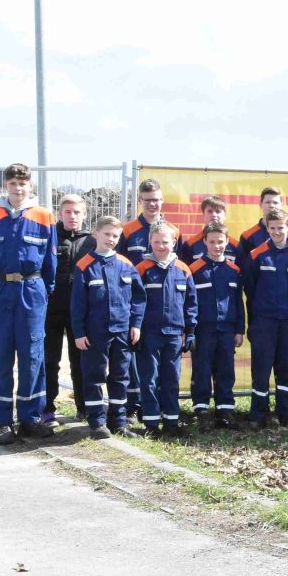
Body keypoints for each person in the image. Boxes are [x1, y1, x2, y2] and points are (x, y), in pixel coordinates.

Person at [0, 163, 58, 444]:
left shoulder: (43, 215)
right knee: (1, 355)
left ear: (30, 185)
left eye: (23, 183)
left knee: (32, 356)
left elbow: (50, 261)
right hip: (1, 291)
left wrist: (42, 291)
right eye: (13, 183)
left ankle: (31, 418)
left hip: (32, 291)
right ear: (6, 185)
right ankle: (2, 421)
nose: (18, 188)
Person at [71, 216, 143, 439]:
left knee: (120, 376)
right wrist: (79, 332)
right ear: (96, 234)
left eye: (115, 236)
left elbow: (139, 298)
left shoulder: (126, 264)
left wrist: (136, 325)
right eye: (107, 234)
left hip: (122, 331)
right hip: (95, 333)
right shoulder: (84, 265)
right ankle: (97, 423)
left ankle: (118, 422)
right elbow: (77, 303)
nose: (111, 239)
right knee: (94, 376)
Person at [243, 207, 288, 429]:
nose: (277, 232)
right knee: (261, 367)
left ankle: (285, 411)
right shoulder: (256, 255)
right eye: (273, 229)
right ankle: (259, 412)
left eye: (281, 228)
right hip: (264, 322)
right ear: (267, 229)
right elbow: (250, 288)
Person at [135, 222, 198, 437]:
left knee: (171, 378)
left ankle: (172, 422)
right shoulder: (142, 269)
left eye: (165, 242)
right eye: (156, 242)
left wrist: (190, 331)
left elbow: (191, 303)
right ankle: (151, 423)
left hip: (174, 334)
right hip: (149, 333)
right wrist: (136, 328)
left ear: (174, 242)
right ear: (149, 242)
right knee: (149, 377)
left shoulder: (183, 269)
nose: (161, 246)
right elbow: (135, 301)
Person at [44, 193, 93, 425]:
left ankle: (84, 408)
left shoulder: (92, 241)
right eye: (68, 212)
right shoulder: (49, 236)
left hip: (80, 313)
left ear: (84, 214)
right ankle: (47, 408)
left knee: (81, 361)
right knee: (49, 360)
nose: (72, 216)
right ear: (60, 213)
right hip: (51, 309)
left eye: (77, 212)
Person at [188, 222, 243, 429]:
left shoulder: (234, 270)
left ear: (227, 242)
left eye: (220, 241)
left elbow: (239, 302)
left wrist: (239, 330)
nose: (216, 246)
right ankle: (201, 410)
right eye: (212, 242)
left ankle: (225, 410)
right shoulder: (193, 270)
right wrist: (190, 330)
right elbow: (189, 303)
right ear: (204, 242)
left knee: (226, 371)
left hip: (227, 330)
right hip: (203, 330)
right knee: (201, 370)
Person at [121, 179, 166, 418]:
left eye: (156, 199)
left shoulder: (172, 230)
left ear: (162, 200)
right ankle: (132, 405)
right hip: (133, 303)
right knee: (132, 354)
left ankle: (153, 404)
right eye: (147, 200)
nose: (152, 204)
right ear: (140, 201)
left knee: (157, 358)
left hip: (162, 305)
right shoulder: (127, 231)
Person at [184, 196, 235, 264]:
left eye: (218, 211)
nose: (214, 215)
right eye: (210, 211)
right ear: (203, 214)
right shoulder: (190, 245)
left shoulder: (235, 246)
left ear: (225, 215)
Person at [236, 186, 283, 259]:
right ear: (260, 204)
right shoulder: (247, 236)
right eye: (268, 202)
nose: (271, 205)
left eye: (275, 202)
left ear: (281, 205)